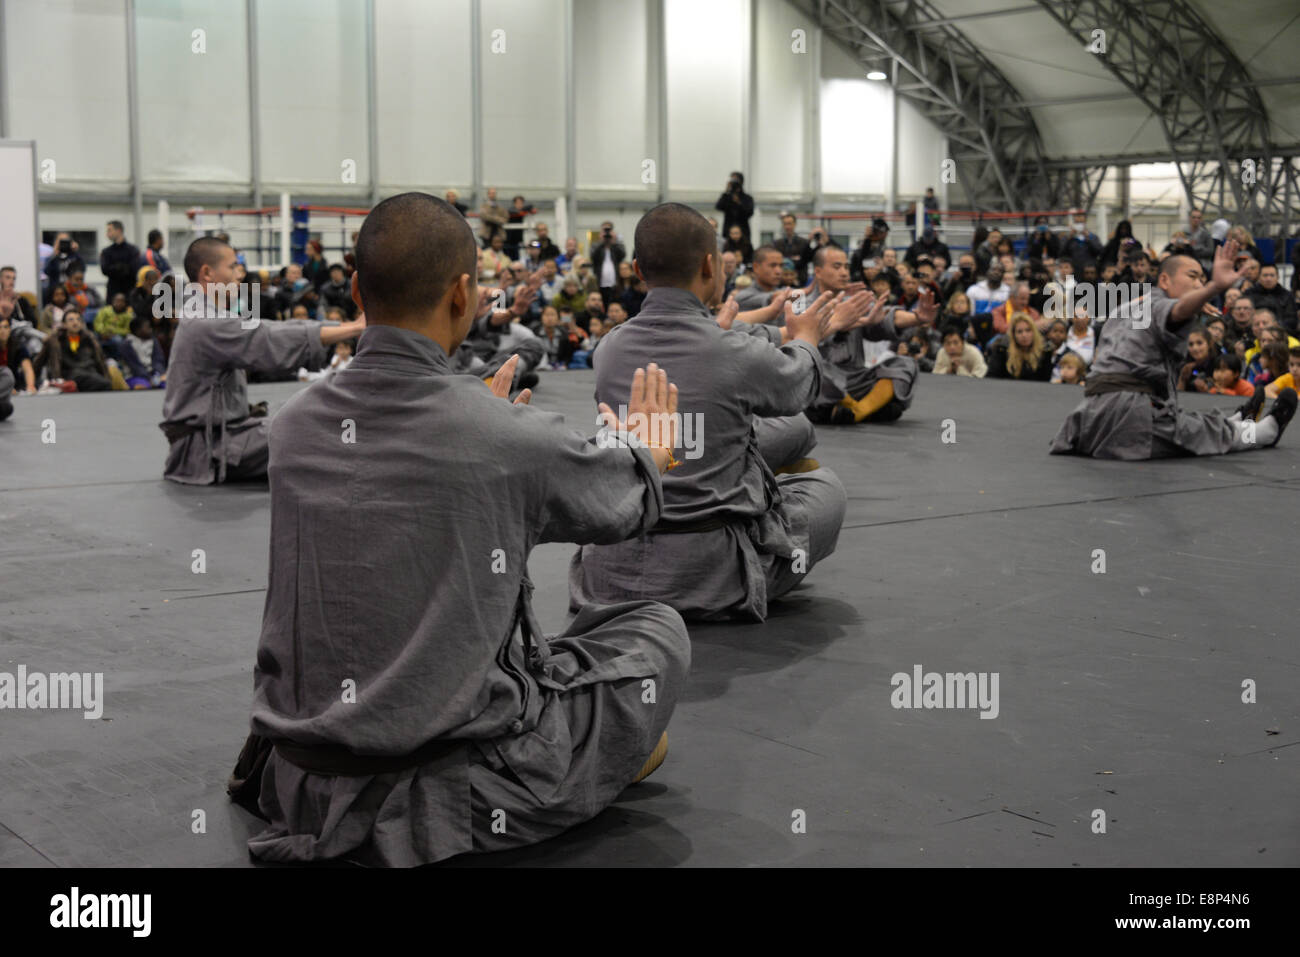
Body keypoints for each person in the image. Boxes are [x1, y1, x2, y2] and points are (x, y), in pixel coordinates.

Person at [231, 191, 689, 867]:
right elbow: (623, 504)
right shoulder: (502, 435)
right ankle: (580, 761)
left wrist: (485, 444)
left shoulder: (293, 423)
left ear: (356, 288)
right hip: (456, 787)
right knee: (657, 631)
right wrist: (651, 450)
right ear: (465, 295)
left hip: (297, 777)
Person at [570, 202, 847, 622]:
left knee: (776, 436)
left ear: (639, 272)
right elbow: (801, 387)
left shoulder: (609, 347)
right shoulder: (733, 350)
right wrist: (806, 337)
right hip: (711, 576)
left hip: (609, 577)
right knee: (825, 487)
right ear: (709, 266)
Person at [1051, 241, 1297, 460]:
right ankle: (1264, 432)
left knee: (1190, 420)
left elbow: (1176, 311)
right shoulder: (1161, 306)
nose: (1198, 283)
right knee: (1200, 433)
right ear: (1165, 280)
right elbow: (1177, 311)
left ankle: (1237, 421)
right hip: (1127, 416)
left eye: (1202, 278)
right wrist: (1213, 288)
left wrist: (1197, 300)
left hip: (1090, 416)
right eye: (1193, 276)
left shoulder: (1127, 308)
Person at [159, 236, 365, 485]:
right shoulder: (205, 322)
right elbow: (267, 337)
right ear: (207, 273)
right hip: (209, 451)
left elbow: (271, 328)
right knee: (321, 424)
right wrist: (353, 328)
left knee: (300, 411)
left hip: (220, 437)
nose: (240, 274)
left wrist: (348, 326)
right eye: (233, 266)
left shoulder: (206, 315)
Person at [32, 310, 112, 392]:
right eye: (71, 320)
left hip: (90, 373)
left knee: (106, 383)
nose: (75, 322)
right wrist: (32, 384)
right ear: (64, 324)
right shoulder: (54, 341)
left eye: (78, 319)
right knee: (103, 384)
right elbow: (39, 362)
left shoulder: (89, 339)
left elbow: (100, 362)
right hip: (68, 376)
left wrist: (107, 377)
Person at [986, 315, 1053, 381]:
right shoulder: (1002, 351)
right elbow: (991, 378)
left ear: (1034, 332)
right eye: (1019, 332)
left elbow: (1046, 381)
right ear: (1013, 335)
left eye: (1028, 330)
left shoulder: (1044, 352)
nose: (1024, 335)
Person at [0, 315, 37, 418]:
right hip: (4, 384)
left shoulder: (17, 346)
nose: (3, 331)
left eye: (6, 327)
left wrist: (30, 386)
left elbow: (27, 368)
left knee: (7, 408)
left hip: (12, 387)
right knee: (6, 373)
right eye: (0, 327)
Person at [122, 314, 166, 389]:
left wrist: (159, 374)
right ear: (138, 330)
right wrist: (149, 378)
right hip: (135, 376)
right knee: (143, 387)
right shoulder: (127, 344)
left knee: (168, 385)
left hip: (155, 374)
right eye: (147, 327)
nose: (150, 329)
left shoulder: (154, 341)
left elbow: (158, 360)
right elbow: (135, 366)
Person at [100, 220, 141, 302]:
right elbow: (105, 269)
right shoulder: (106, 251)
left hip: (130, 292)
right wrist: (122, 268)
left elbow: (134, 269)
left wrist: (115, 268)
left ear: (118, 230)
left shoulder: (133, 250)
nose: (107, 234)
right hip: (113, 293)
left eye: (109, 230)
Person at [590, 221, 626, 305]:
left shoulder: (616, 244)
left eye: (609, 230)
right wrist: (602, 242)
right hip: (600, 283)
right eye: (604, 230)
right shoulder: (595, 245)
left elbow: (622, 255)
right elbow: (593, 256)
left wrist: (613, 242)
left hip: (615, 283)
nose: (607, 233)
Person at [772, 213, 812, 285]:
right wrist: (794, 259)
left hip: (800, 282)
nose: (787, 227)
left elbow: (805, 261)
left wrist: (786, 259)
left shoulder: (804, 243)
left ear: (795, 224)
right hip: (781, 283)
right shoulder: (777, 244)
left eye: (789, 224)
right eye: (785, 224)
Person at [714, 171, 754, 241]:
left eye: (735, 180)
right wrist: (726, 191)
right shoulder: (727, 197)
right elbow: (718, 206)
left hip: (743, 232)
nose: (733, 182)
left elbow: (750, 212)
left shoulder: (747, 198)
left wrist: (739, 203)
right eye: (732, 180)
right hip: (728, 231)